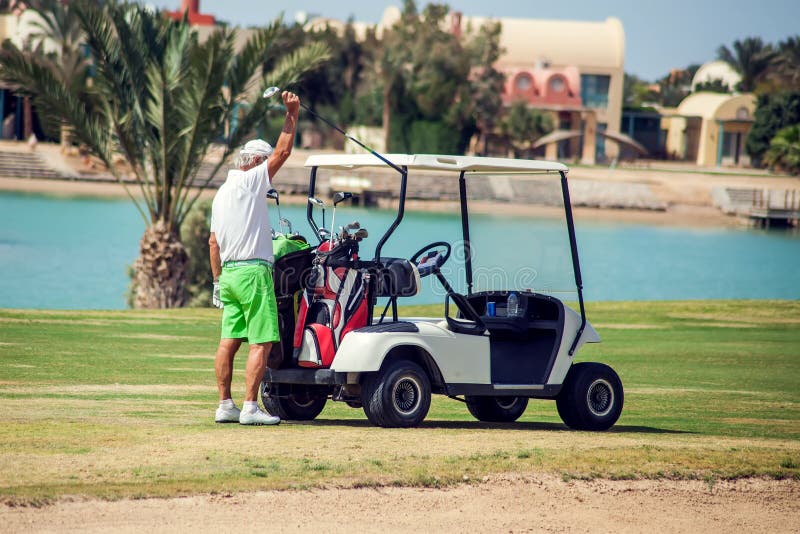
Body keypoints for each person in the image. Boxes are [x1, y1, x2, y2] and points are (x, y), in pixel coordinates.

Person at [208, 91, 300, 425]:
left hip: (229, 276)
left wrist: (217, 282)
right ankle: (249, 407)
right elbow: (284, 150)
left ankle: (225, 405)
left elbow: (213, 243)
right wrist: (292, 113)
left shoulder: (221, 193)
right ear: (257, 163)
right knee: (261, 342)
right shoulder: (251, 181)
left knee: (228, 341)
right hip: (252, 273)